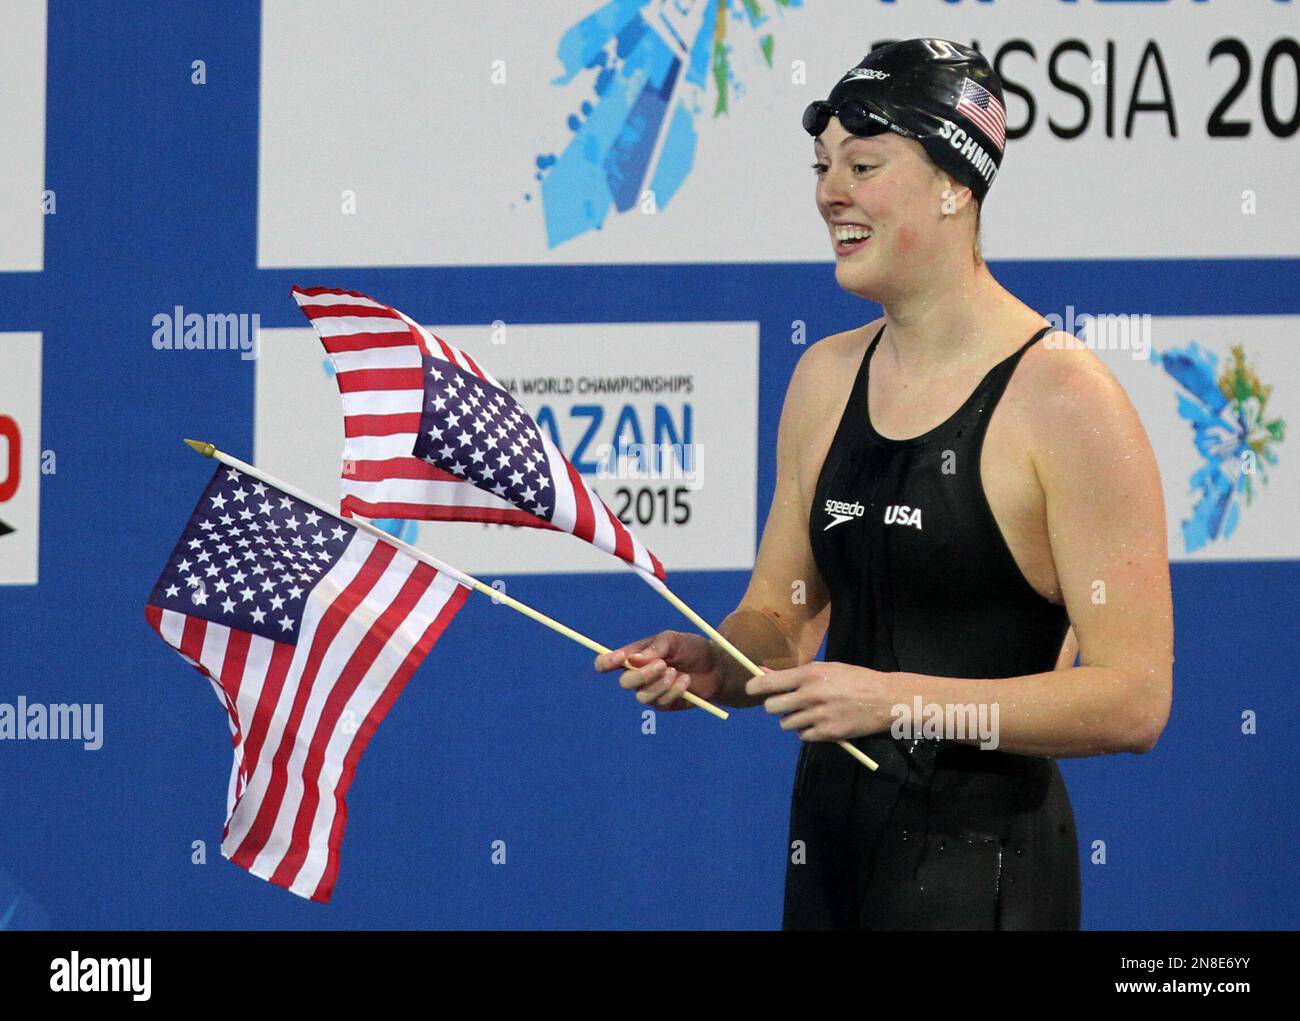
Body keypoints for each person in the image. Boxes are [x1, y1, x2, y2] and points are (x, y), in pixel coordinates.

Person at [594, 38, 1173, 930]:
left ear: (957, 185)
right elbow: (783, 621)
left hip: (986, 877)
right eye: (823, 166)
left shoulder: (1065, 400)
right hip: (831, 855)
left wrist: (898, 701)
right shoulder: (824, 377)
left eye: (864, 164)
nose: (831, 192)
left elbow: (1134, 698)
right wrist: (720, 662)